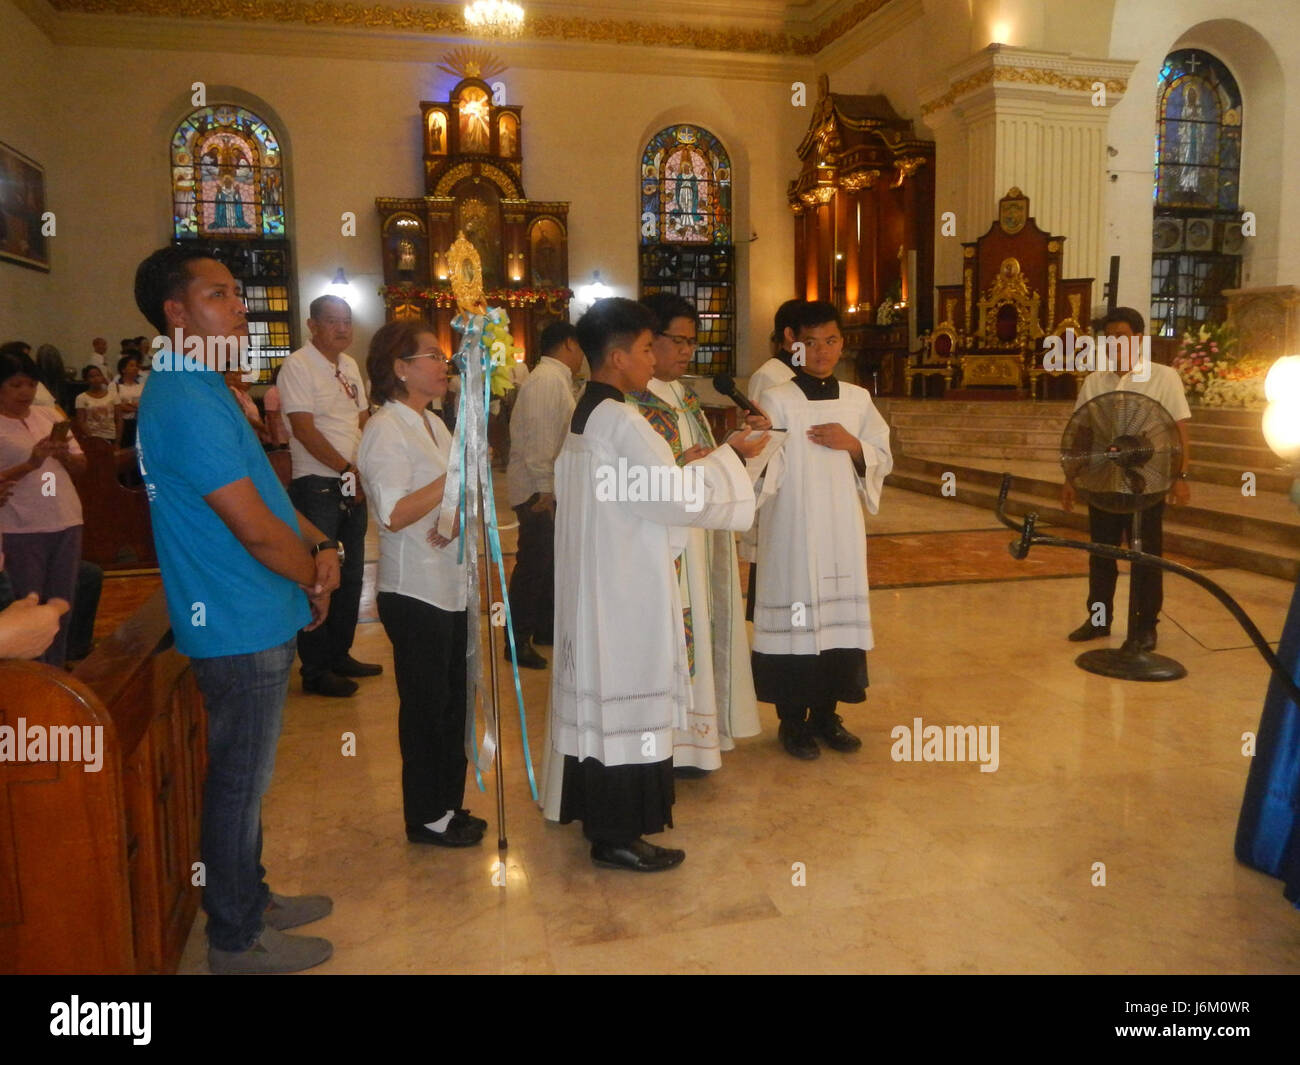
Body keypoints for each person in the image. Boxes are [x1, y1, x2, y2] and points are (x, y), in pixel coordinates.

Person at [134, 243, 339, 974]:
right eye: (219, 294)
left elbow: (272, 497)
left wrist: (320, 543)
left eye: (235, 293)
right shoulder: (184, 399)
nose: (239, 305)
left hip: (254, 611)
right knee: (237, 785)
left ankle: (251, 895)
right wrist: (313, 572)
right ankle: (235, 939)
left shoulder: (209, 386)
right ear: (177, 312)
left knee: (247, 784)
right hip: (233, 619)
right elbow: (253, 529)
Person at [542, 297, 765, 872]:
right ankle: (619, 833)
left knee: (603, 702)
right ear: (617, 357)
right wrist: (732, 457)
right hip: (626, 586)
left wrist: (702, 464)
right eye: (646, 349)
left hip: (599, 579)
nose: (652, 359)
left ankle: (599, 817)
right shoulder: (623, 418)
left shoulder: (586, 413)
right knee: (630, 700)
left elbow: (639, 490)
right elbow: (672, 499)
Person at [356, 320, 486, 847]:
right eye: (431, 355)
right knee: (427, 706)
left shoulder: (432, 423)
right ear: (400, 368)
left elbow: (446, 500)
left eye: (442, 355)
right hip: (414, 593)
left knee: (453, 701)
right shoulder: (386, 428)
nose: (442, 364)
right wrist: (454, 475)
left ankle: (448, 805)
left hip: (448, 585)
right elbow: (391, 511)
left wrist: (452, 514)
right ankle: (426, 815)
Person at [625, 292, 765, 774]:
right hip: (662, 542)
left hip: (699, 536)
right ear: (647, 339)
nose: (686, 351)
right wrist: (699, 463)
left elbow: (700, 459)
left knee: (701, 626)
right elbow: (642, 479)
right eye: (676, 341)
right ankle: (669, 741)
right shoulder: (629, 402)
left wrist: (734, 448)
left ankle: (698, 736)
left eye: (692, 342)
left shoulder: (684, 396)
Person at [751, 300, 893, 760]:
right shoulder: (778, 399)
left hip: (840, 535)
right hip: (792, 531)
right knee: (796, 626)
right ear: (794, 346)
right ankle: (793, 723)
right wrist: (757, 442)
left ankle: (828, 716)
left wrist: (854, 446)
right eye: (809, 343)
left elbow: (881, 457)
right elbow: (759, 468)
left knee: (836, 630)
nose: (821, 352)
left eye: (830, 341)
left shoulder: (857, 400)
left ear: (842, 343)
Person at [1062, 306, 1191, 652]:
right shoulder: (1095, 381)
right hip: (1102, 481)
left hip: (1146, 484)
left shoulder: (1163, 377)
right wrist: (1070, 477)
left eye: (1121, 336)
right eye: (1109, 338)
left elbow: (1179, 431)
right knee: (1100, 554)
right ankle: (1099, 620)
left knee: (1146, 557)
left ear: (1139, 338)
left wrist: (1181, 476)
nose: (1114, 343)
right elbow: (1083, 433)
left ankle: (1145, 626)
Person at [277, 295, 380, 697]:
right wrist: (345, 468)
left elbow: (361, 419)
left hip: (351, 477)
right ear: (312, 325)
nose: (342, 328)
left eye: (347, 321)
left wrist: (364, 466)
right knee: (321, 575)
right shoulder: (299, 365)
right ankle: (315, 670)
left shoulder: (350, 365)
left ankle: (340, 653)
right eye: (332, 321)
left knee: (352, 572)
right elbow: (303, 428)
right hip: (318, 481)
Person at [503, 320, 582, 670]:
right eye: (579, 347)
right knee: (533, 565)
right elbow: (538, 444)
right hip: (538, 491)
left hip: (545, 488)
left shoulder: (555, 380)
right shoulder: (546, 381)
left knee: (549, 562)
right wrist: (546, 490)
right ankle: (515, 639)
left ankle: (543, 628)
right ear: (567, 344)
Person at [0, 348, 86, 668]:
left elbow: (82, 467)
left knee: (62, 605)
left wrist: (62, 454)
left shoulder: (49, 416)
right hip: (21, 526)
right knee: (29, 607)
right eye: (16, 385)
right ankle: (33, 680)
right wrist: (30, 463)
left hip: (65, 517)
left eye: (31, 384)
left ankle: (58, 675)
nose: (26, 392)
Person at [74, 365, 120, 443]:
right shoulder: (81, 398)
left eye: (98, 375)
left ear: (102, 377)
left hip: (111, 436)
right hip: (92, 438)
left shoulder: (113, 395)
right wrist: (93, 439)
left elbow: (119, 419)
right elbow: (81, 421)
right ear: (86, 380)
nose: (96, 379)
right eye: (91, 376)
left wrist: (118, 441)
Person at [225, 369, 270, 444]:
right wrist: (263, 428)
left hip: (253, 436)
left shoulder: (245, 394)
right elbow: (242, 417)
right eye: (242, 375)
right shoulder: (232, 393)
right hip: (243, 437)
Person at [114, 354, 144, 449]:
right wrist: (134, 407)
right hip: (123, 422)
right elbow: (117, 405)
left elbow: (144, 404)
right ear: (123, 369)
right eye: (131, 365)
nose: (135, 368)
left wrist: (130, 406)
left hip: (138, 421)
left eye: (136, 366)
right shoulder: (115, 386)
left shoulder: (141, 386)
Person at [262, 364, 290, 449]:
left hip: (288, 437)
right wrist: (275, 439)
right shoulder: (272, 393)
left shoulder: (288, 392)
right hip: (279, 439)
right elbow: (271, 418)